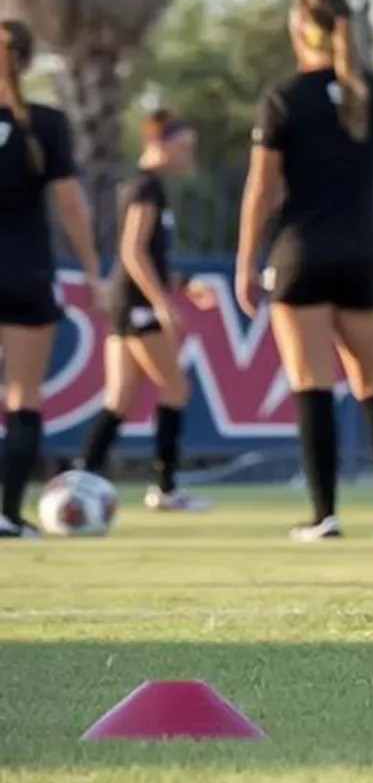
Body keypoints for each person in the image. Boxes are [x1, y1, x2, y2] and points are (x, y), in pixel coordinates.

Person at [235, 0, 373, 541]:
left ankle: (324, 515)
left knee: (311, 384)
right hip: (361, 251)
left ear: (300, 31)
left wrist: (245, 261)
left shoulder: (284, 96)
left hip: (301, 253)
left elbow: (262, 187)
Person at [76, 110, 214, 511]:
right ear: (159, 145)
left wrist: (185, 283)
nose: (188, 156)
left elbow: (147, 257)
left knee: (119, 396)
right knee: (175, 387)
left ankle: (82, 476)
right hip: (135, 304)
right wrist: (161, 304)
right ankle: (166, 488)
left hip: (127, 301)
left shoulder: (146, 187)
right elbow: (133, 253)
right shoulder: (146, 187)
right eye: (183, 146)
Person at [0, 21, 102, 537]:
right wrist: (90, 271)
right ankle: (6, 514)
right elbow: (70, 206)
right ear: (27, 61)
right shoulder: (45, 124)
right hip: (23, 271)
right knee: (23, 397)